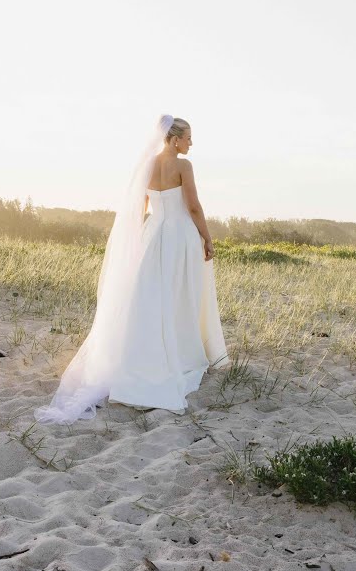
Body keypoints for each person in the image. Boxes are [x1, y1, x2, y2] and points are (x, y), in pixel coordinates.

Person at [35, 115, 228, 423]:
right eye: (188, 138)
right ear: (174, 139)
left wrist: (137, 240)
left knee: (151, 296)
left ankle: (146, 354)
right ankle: (180, 352)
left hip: (152, 235)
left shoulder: (147, 166)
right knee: (181, 294)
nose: (191, 143)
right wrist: (207, 237)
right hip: (179, 236)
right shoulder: (184, 166)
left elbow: (139, 209)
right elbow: (193, 206)